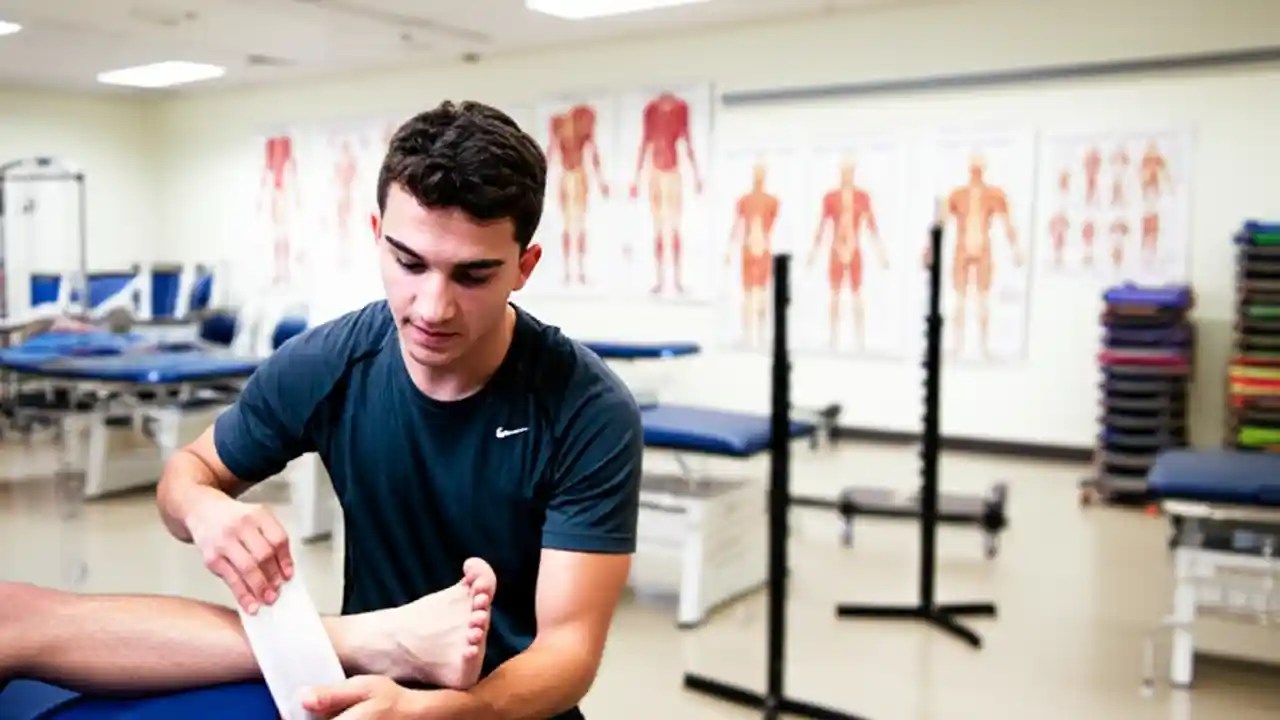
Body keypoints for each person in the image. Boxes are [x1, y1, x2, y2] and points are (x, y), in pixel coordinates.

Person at [0, 99, 644, 720]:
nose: (431, 307)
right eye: (408, 263)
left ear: (524, 267)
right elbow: (186, 475)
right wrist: (205, 510)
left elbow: (568, 651)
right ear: (376, 235)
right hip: (360, 686)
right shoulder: (331, 362)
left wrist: (451, 711)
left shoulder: (587, 410)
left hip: (508, 709)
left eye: (472, 275)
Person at [943, 153, 1023, 358]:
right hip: (963, 247)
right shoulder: (957, 194)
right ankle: (957, 344)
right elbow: (941, 222)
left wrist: (1016, 249)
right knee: (960, 299)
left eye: (978, 169)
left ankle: (983, 345)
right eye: (973, 169)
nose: (976, 173)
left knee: (982, 298)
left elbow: (1007, 223)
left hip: (982, 247)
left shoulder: (994, 195)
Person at [808, 158, 887, 352]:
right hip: (836, 248)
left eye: (849, 171)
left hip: (854, 248)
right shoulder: (831, 197)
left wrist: (881, 254)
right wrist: (813, 253)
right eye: (844, 171)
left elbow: (872, 226)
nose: (846, 175)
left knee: (856, 294)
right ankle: (833, 337)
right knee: (834, 294)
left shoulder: (862, 197)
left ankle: (860, 339)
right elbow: (822, 226)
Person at [629, 91, 702, 295]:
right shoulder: (650, 111)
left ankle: (677, 280)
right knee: (660, 229)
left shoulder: (681, 109)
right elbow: (645, 143)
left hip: (672, 174)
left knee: (674, 228)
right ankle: (661, 280)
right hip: (656, 174)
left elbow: (687, 142)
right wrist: (637, 178)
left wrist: (696, 176)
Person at [547, 104, 609, 286]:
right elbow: (551, 151)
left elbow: (593, 152)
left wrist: (601, 181)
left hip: (578, 175)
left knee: (578, 225)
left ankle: (579, 270)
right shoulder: (559, 122)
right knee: (569, 225)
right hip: (567, 176)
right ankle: (568, 271)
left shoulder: (583, 126)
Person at [725, 160, 778, 349]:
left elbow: (772, 226)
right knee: (748, 294)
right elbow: (737, 226)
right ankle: (749, 335)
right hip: (750, 248)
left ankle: (761, 335)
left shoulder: (771, 201)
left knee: (760, 293)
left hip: (760, 248)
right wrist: (730, 250)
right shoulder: (744, 201)